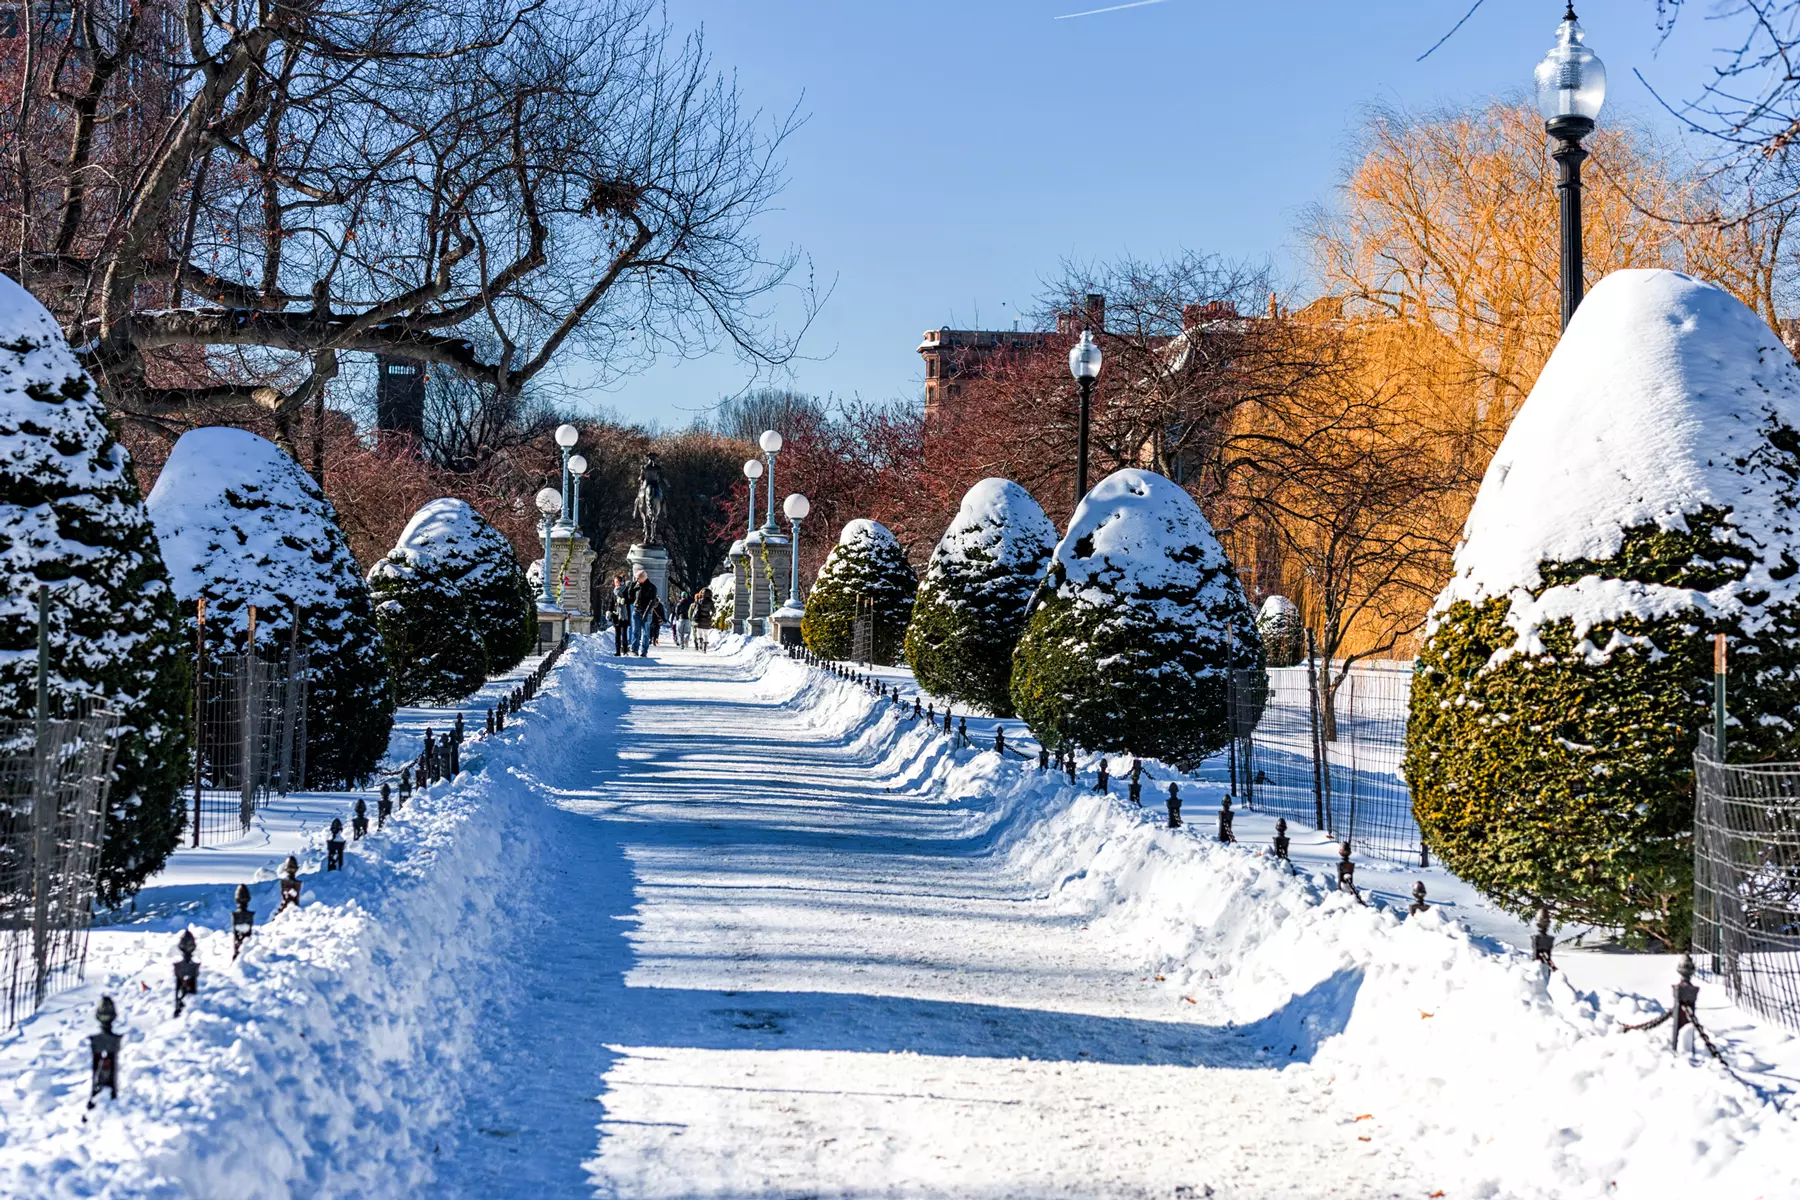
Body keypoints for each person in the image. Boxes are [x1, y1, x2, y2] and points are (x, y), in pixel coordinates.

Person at [630, 571, 658, 657]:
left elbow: (652, 601)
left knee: (646, 633)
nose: (636, 580)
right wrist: (631, 587)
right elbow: (630, 596)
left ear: (643, 578)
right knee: (635, 631)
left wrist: (646, 613)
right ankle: (635, 649)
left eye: (638, 578)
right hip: (636, 610)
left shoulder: (652, 587)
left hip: (646, 612)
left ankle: (644, 650)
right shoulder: (636, 586)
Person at [610, 574, 631, 656]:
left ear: (621, 582)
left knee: (624, 634)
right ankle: (617, 651)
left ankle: (625, 650)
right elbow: (611, 602)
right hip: (616, 614)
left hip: (624, 615)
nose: (616, 584)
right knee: (617, 634)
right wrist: (609, 611)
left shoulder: (625, 590)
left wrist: (624, 601)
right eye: (615, 582)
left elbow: (630, 601)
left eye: (617, 582)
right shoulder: (614, 591)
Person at [691, 588, 714, 652]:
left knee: (699, 633)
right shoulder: (711, 602)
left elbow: (696, 609)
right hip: (707, 620)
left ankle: (700, 643)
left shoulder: (699, 601)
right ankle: (705, 647)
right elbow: (714, 611)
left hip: (699, 620)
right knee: (706, 634)